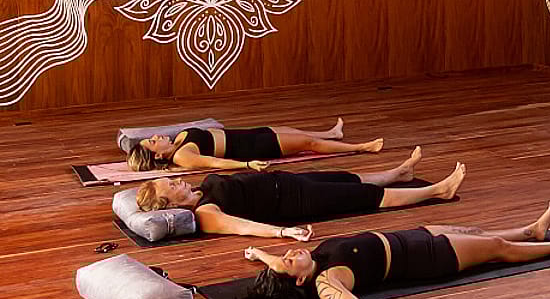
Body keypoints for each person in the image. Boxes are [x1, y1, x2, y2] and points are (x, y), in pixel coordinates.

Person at [240, 201, 550, 299]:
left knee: (476, 230)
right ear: (300, 281)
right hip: (426, 258)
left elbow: (278, 264)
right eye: (288, 262)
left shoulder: (307, 261)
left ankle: (531, 231)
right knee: (495, 247)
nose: (289, 254)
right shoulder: (325, 281)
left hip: (410, 237)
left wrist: (260, 255)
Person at [135, 147, 465, 239]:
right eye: (172, 187)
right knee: (367, 197)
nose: (177, 181)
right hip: (298, 201)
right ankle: (437, 190)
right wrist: (282, 233)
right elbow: (246, 228)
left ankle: (398, 173)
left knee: (348, 177)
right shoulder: (206, 213)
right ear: (169, 203)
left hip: (290, 181)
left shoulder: (200, 188)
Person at [127, 117, 383, 172]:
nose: (157, 137)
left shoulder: (180, 139)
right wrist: (247, 163)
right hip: (252, 147)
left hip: (249, 134)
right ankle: (360, 147)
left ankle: (332, 134)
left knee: (293, 130)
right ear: (159, 157)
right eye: (153, 142)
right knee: (307, 143)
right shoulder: (184, 155)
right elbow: (216, 163)